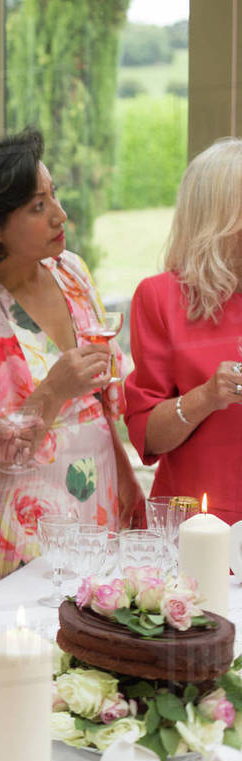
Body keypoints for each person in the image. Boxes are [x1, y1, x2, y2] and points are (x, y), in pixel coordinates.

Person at [0, 130, 143, 577]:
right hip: (27, 516)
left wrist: (127, 476)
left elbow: (101, 397)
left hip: (100, 489)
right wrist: (53, 391)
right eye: (37, 207)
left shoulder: (72, 272)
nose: (59, 215)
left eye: (54, 197)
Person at [124, 138, 242, 524]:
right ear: (220, 217)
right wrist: (207, 396)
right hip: (199, 525)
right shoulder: (161, 298)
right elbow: (148, 436)